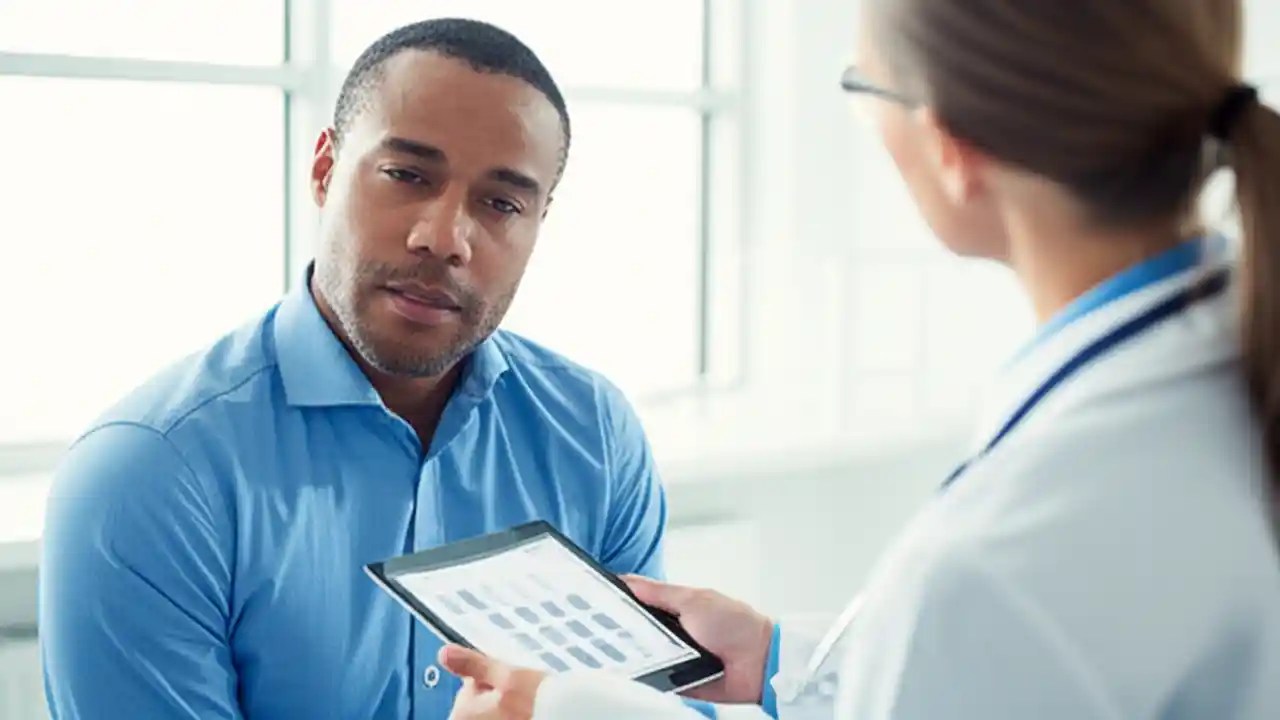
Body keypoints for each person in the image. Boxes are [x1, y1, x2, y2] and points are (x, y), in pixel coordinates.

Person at [438, 1, 1280, 718]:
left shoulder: (999, 558)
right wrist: (781, 663)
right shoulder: (1217, 384)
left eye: (863, 85)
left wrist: (564, 705)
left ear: (953, 147)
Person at [39, 18, 672, 720]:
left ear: (539, 221)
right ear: (323, 170)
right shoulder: (150, 472)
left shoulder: (596, 438)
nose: (443, 239)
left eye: (501, 203)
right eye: (407, 175)